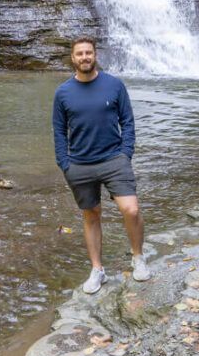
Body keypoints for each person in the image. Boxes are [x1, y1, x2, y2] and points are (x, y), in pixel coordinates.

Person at [52, 36, 151, 293]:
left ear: (95, 55)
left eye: (88, 52)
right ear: (72, 58)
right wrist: (65, 163)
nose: (84, 57)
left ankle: (138, 257)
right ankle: (97, 270)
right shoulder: (63, 92)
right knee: (91, 215)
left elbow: (127, 121)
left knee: (131, 209)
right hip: (79, 164)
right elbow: (59, 131)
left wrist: (125, 153)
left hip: (114, 159)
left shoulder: (114, 85)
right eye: (80, 54)